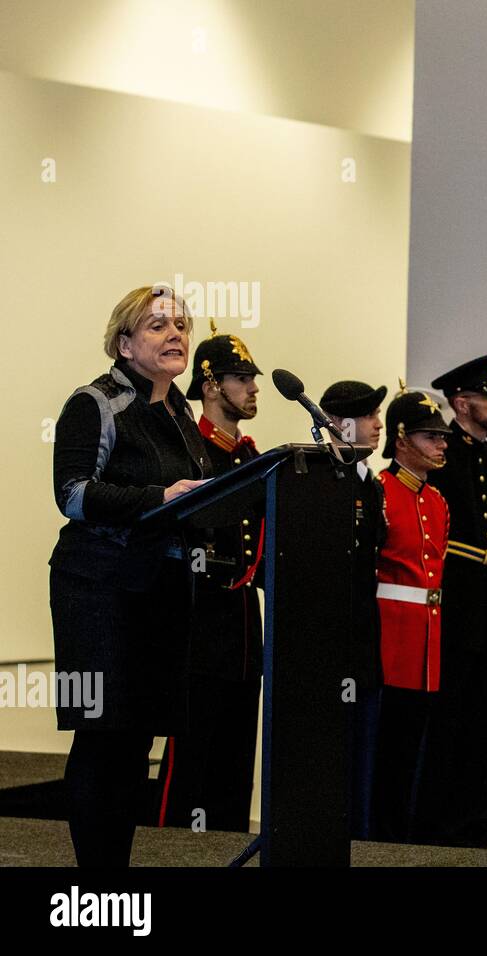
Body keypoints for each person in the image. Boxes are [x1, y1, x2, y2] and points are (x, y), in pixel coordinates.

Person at [50, 285, 210, 866]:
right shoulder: (94, 402)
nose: (176, 336)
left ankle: (114, 870)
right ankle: (99, 884)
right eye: (157, 326)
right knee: (103, 735)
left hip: (159, 589)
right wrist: (157, 496)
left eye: (181, 326)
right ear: (124, 342)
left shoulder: (179, 410)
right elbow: (71, 494)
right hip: (99, 587)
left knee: (136, 738)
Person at [157, 321, 264, 833]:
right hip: (199, 623)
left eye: (252, 378)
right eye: (240, 378)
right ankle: (168, 855)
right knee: (189, 765)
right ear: (210, 385)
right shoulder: (189, 451)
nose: (253, 388)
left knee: (235, 764)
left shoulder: (250, 457)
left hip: (243, 627)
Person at [424, 354, 487, 846]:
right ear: (461, 402)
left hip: (485, 595)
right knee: (447, 715)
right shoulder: (445, 452)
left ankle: (472, 819)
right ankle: (439, 823)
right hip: (453, 593)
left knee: (482, 715)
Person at [371, 383, 451, 843]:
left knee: (414, 747)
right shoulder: (381, 492)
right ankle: (380, 837)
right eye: (430, 437)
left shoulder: (437, 502)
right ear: (401, 439)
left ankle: (403, 833)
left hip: (427, 644)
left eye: (441, 437)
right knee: (388, 749)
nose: (441, 445)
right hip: (391, 640)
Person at [321, 378, 389, 838]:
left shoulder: (370, 484)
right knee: (330, 757)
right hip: (329, 644)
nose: (377, 424)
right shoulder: (322, 480)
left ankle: (358, 840)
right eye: (367, 416)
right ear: (340, 425)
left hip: (365, 639)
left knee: (363, 753)